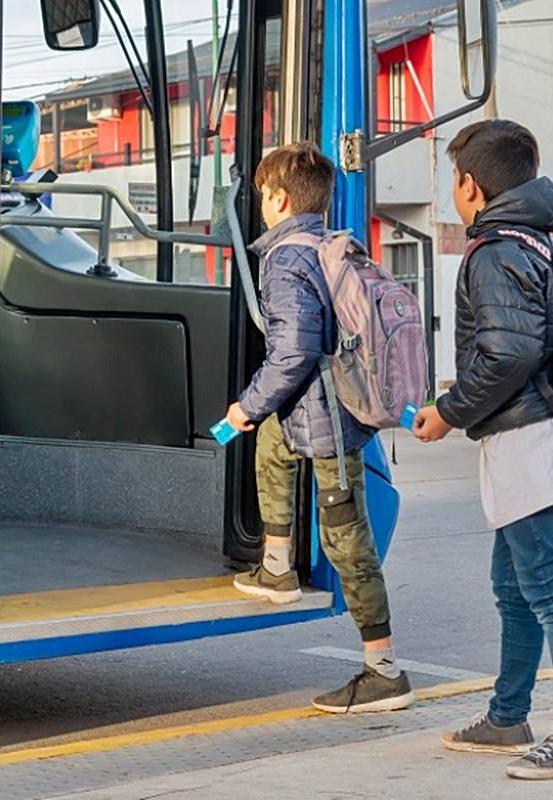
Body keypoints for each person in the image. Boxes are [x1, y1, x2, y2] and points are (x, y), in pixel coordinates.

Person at [412, 119, 553, 780]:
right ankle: (507, 718)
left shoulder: (496, 250)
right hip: (534, 433)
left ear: (471, 185)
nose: (453, 191)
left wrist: (448, 412)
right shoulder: (533, 240)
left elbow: (509, 354)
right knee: (514, 586)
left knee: (548, 591)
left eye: (453, 179)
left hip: (527, 439)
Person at [224, 141, 414, 715]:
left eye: (264, 195)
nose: (261, 204)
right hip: (328, 408)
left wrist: (246, 405)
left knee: (346, 539)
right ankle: (277, 566)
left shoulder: (286, 260)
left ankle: (384, 671)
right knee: (272, 445)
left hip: (328, 419)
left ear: (280, 199)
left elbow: (293, 352)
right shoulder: (332, 246)